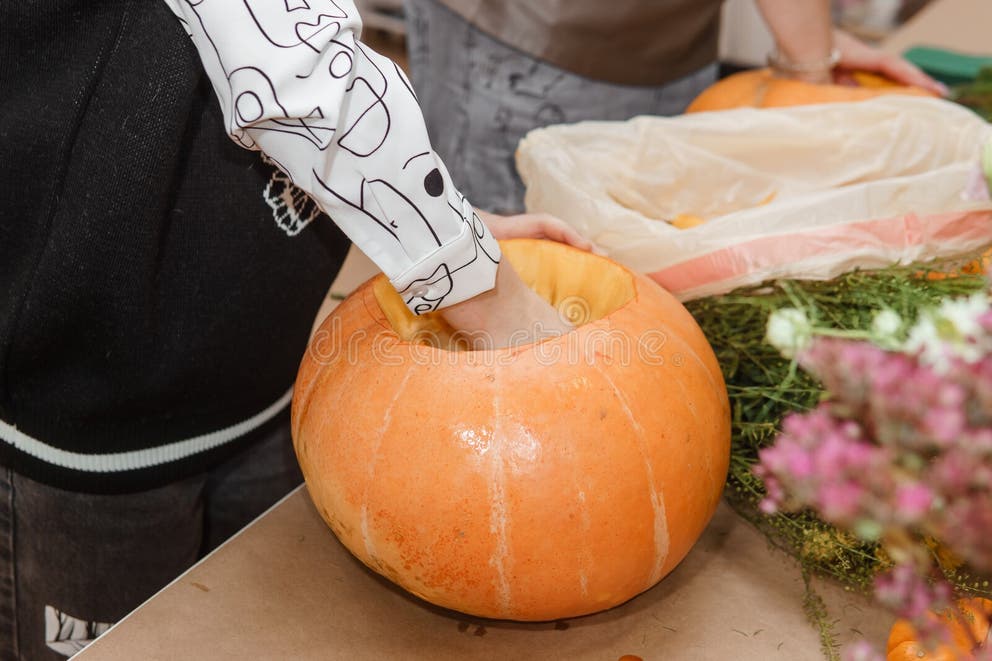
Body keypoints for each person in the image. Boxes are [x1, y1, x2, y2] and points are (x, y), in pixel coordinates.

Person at [0, 2, 590, 658]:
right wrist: (488, 292)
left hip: (265, 377)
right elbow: (296, 75)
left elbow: (299, 51)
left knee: (256, 631)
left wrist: (448, 226)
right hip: (89, 434)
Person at [404, 0, 947, 214]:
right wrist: (810, 61)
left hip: (669, 35)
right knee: (517, 279)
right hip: (530, 33)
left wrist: (812, 44)